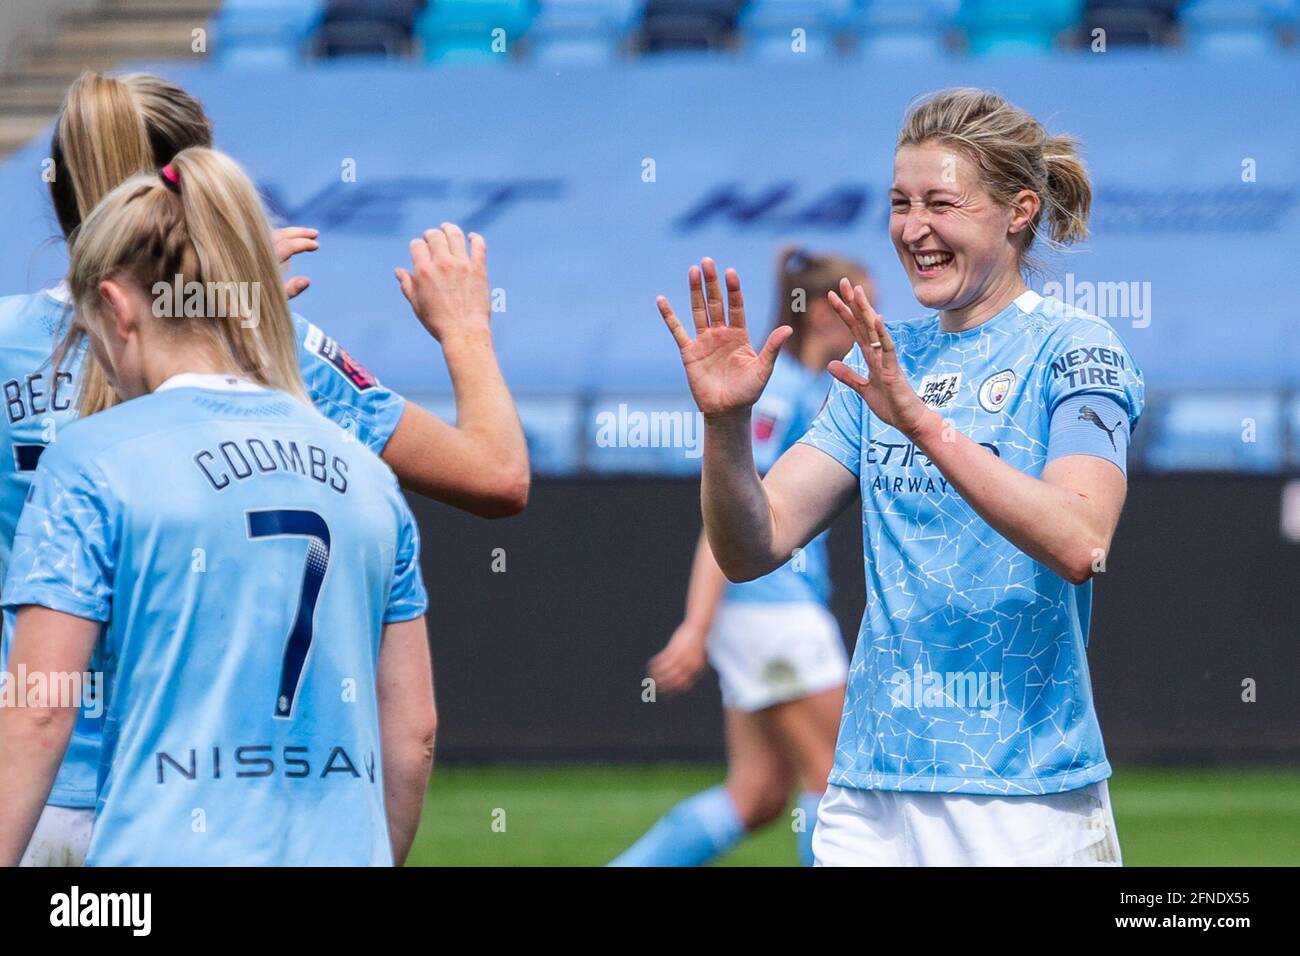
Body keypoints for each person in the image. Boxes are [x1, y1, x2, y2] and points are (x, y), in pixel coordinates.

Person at [0, 70, 525, 865]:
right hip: (216, 800)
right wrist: (464, 333)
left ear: (59, 190)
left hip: (36, 793)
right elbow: (497, 477)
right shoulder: (279, 355)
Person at [656, 88, 1144, 866]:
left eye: (940, 203)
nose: (913, 229)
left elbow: (1080, 540)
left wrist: (922, 424)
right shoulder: (880, 363)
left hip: (1023, 791)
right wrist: (724, 429)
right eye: (899, 203)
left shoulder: (1077, 350)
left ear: (1018, 211)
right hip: (870, 792)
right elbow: (753, 544)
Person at [611, 249, 870, 867]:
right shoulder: (776, 392)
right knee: (832, 779)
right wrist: (697, 628)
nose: (876, 313)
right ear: (833, 311)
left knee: (756, 796)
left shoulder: (811, 387)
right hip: (772, 613)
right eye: (864, 299)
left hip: (767, 613)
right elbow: (732, 520)